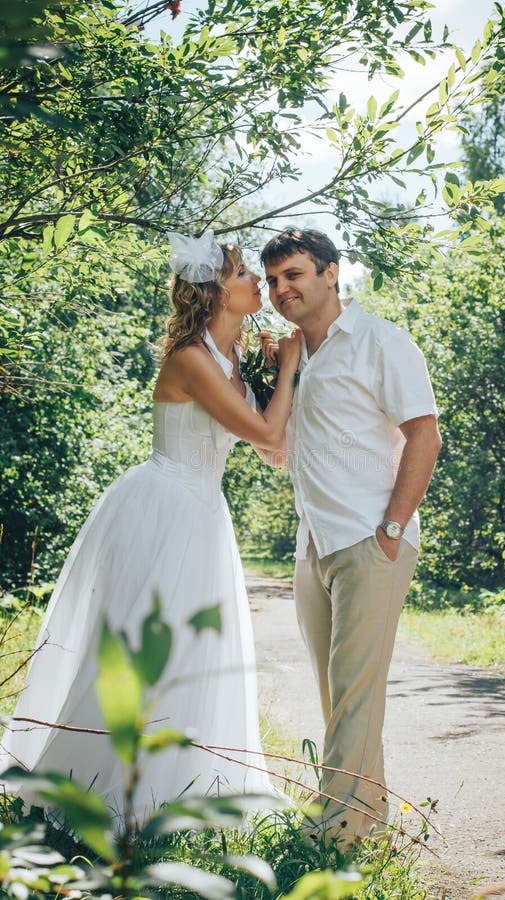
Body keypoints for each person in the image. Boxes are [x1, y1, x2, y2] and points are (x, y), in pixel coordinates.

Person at [1, 230, 301, 825]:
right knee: (145, 649)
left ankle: (188, 786)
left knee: (197, 648)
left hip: (203, 512)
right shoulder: (190, 359)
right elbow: (267, 435)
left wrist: (274, 378)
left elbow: (273, 449)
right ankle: (101, 788)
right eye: (244, 275)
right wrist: (291, 367)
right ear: (216, 293)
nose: (255, 285)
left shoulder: (232, 358)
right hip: (161, 509)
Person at [260, 227, 441, 847]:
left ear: (331, 273)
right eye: (274, 279)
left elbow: (425, 435)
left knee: (356, 698)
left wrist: (392, 528)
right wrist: (277, 376)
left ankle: (325, 842)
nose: (283, 288)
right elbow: (272, 452)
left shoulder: (379, 341)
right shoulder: (294, 358)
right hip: (314, 545)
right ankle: (365, 833)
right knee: (341, 699)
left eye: (295, 274)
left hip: (370, 540)